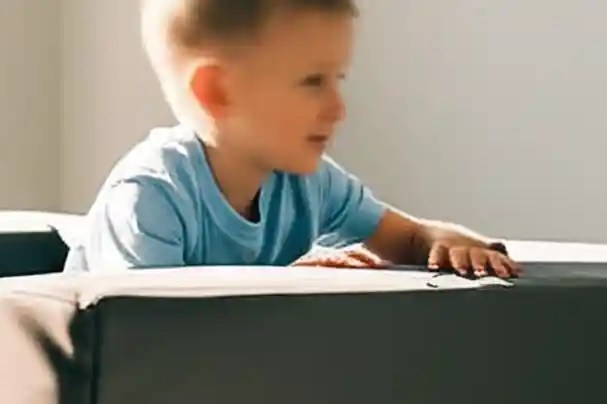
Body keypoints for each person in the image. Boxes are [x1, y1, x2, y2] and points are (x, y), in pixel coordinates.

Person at [67, 0, 520, 278]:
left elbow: (409, 237)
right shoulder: (150, 198)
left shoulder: (310, 183)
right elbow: (146, 349)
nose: (339, 109)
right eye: (312, 82)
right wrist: (280, 285)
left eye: (337, 78)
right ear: (218, 92)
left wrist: (452, 243)